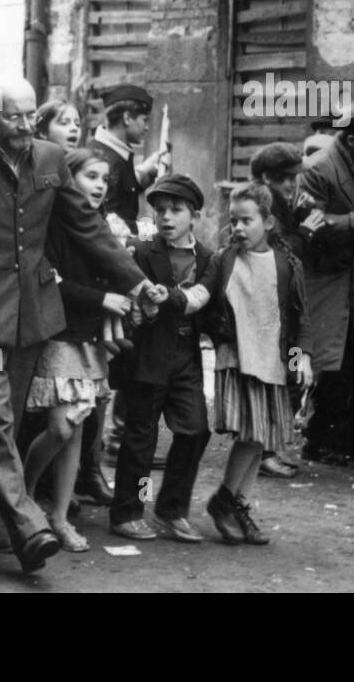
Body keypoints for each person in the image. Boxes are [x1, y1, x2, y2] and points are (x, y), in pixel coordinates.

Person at [0, 78, 149, 573]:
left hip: (29, 313)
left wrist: (135, 282)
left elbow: (86, 226)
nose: (26, 127)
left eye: (30, 116)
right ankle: (27, 523)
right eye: (14, 117)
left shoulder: (49, 159)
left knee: (8, 417)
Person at [22, 147, 129, 552]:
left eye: (105, 179)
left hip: (91, 339)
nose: (100, 185)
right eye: (90, 177)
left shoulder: (102, 227)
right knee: (60, 426)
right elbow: (52, 282)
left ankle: (60, 516)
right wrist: (104, 300)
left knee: (77, 430)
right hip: (59, 333)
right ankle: (26, 497)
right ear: (69, 180)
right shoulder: (52, 224)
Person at [204, 183, 312, 545]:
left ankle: (233, 503)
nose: (237, 227)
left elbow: (299, 319)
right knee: (251, 435)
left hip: (272, 359)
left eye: (246, 220)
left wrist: (301, 358)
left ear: (268, 222)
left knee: (261, 438)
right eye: (233, 220)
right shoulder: (224, 260)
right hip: (238, 356)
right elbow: (204, 297)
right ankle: (225, 502)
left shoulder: (287, 264)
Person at [109, 173, 213, 542]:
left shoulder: (206, 257)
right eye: (160, 211)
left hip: (185, 356)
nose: (167, 217)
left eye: (176, 210)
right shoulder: (140, 250)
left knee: (195, 429)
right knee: (141, 437)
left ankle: (172, 509)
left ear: (195, 216)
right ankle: (129, 511)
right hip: (148, 354)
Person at [295, 105, 354, 464]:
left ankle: (334, 438)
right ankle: (315, 440)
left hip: (351, 274)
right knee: (325, 360)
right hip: (322, 275)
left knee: (349, 360)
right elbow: (307, 221)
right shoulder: (319, 168)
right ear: (350, 139)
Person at [249, 141, 307, 477]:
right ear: (266, 177)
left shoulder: (274, 201)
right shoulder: (265, 203)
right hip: (270, 305)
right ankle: (264, 452)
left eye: (292, 177)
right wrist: (307, 230)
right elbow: (281, 251)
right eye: (283, 178)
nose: (290, 184)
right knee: (276, 377)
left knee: (285, 374)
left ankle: (267, 450)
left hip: (279, 305)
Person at [87, 84, 168, 231]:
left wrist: (146, 173)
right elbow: (110, 225)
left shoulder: (114, 150)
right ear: (127, 118)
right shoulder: (103, 161)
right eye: (145, 120)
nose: (147, 127)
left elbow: (122, 195)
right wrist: (151, 231)